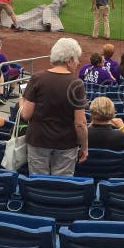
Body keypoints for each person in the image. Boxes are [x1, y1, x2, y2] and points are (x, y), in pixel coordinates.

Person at [20, 37, 88, 176]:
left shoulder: (37, 78)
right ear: (69, 60)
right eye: (76, 59)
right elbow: (80, 123)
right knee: (61, 186)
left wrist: (22, 100)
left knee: (39, 183)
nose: (78, 63)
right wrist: (85, 147)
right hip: (66, 143)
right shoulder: (76, 83)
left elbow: (26, 114)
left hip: (38, 139)